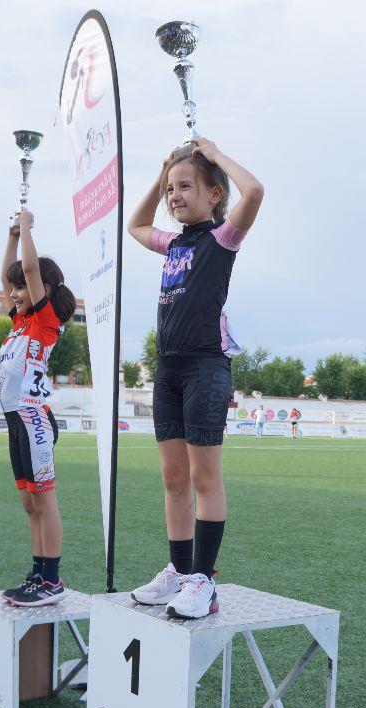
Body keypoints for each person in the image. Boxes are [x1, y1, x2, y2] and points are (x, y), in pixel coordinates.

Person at [126, 138, 264, 619]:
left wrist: (216, 154)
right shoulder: (173, 243)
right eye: (170, 190)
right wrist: (162, 168)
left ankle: (204, 581)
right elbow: (136, 226)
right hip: (169, 369)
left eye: (185, 186)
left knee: (205, 477)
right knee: (173, 478)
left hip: (206, 367)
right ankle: (179, 572)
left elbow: (255, 190)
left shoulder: (221, 238)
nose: (174, 195)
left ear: (214, 195)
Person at [0, 207, 76, 607]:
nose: (13, 295)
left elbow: (28, 269)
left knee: (44, 501)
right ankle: (37, 571)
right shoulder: (21, 322)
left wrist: (26, 226)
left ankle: (52, 580)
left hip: (34, 419)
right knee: (30, 504)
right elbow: (11, 274)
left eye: (21, 289)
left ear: (42, 288)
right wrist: (11, 233)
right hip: (15, 420)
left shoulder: (45, 319)